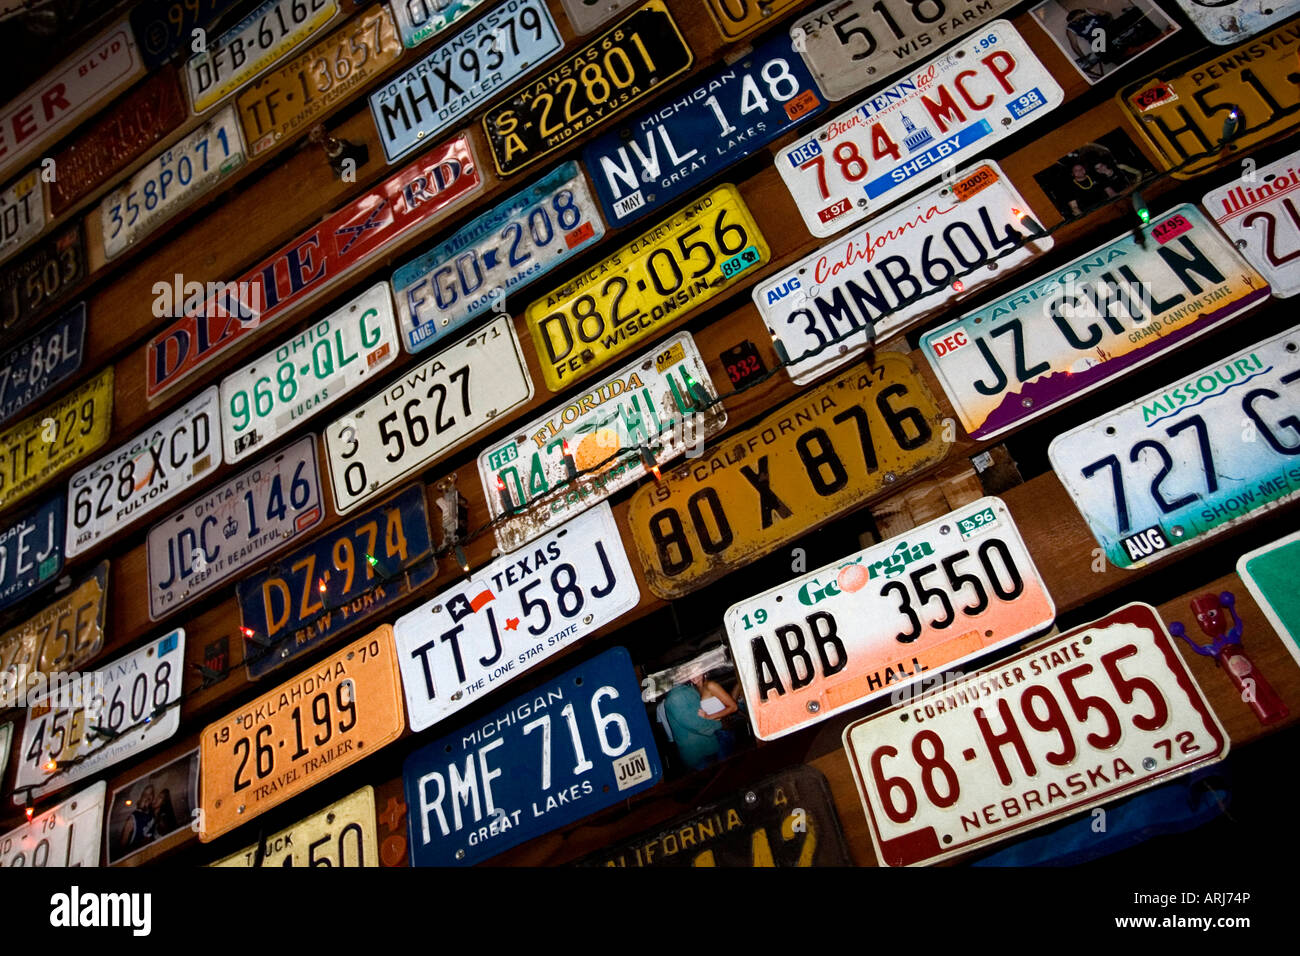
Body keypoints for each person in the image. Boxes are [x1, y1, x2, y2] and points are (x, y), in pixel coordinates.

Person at [662, 676, 739, 771]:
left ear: (703, 672)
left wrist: (717, 721)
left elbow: (733, 707)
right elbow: (697, 720)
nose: (693, 676)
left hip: (722, 731)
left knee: (726, 770)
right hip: (712, 735)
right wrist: (711, 720)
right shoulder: (692, 690)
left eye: (696, 672)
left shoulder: (710, 685)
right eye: (691, 673)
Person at [119, 783, 157, 852]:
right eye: (145, 795)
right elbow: (121, 848)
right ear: (140, 799)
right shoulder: (132, 819)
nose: (148, 797)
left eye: (151, 794)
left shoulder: (152, 815)